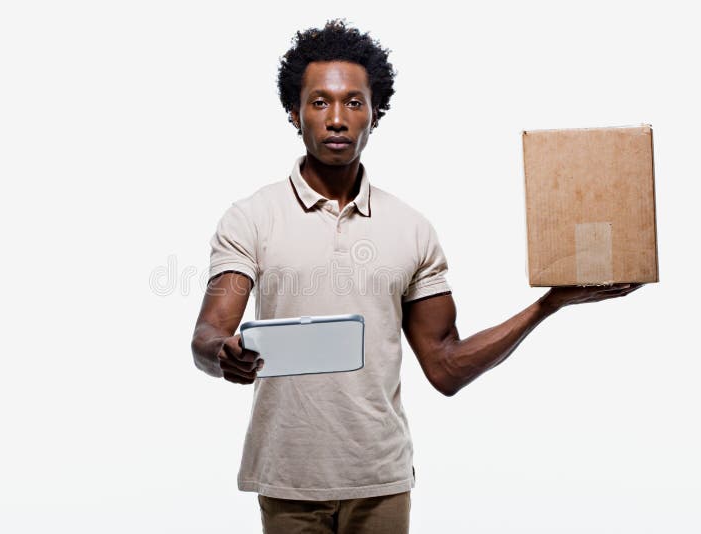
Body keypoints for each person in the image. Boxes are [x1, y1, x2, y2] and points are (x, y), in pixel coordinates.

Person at [190, 19, 642, 534]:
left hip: (381, 482)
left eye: (353, 102)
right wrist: (221, 353)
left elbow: (446, 368)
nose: (337, 118)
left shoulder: (411, 229)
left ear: (375, 114)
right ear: (294, 114)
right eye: (320, 102)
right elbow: (207, 333)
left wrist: (548, 304)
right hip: (289, 480)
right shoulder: (251, 217)